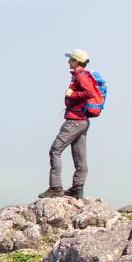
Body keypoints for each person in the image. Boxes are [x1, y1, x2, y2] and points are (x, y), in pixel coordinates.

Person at [41, 49, 100, 199]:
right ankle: (77, 189)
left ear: (77, 61)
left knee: (55, 150)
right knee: (80, 156)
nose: (68, 62)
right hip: (82, 121)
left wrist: (72, 95)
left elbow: (90, 93)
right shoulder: (82, 75)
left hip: (75, 120)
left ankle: (55, 188)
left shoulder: (80, 76)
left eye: (71, 60)